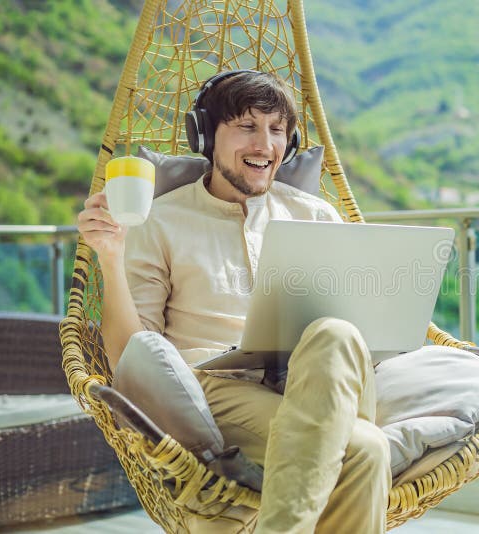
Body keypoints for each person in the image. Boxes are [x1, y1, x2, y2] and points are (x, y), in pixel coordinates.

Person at [77, 70, 390, 533]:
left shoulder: (317, 216)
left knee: (336, 332)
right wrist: (110, 257)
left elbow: (359, 334)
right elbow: (128, 354)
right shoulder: (159, 221)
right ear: (206, 136)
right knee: (367, 450)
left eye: (277, 130)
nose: (265, 145)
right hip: (218, 387)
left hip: (319, 378)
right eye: (247, 126)